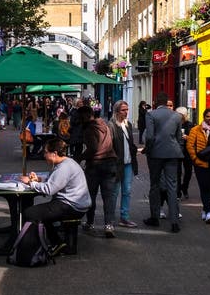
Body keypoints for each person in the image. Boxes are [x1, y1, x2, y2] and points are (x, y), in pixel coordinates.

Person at [19, 138, 91, 255]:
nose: (44, 155)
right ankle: (55, 241)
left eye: (45, 152)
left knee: (31, 213)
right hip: (75, 202)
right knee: (41, 212)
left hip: (72, 205)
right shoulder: (66, 162)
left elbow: (50, 189)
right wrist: (39, 180)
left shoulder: (64, 167)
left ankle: (48, 244)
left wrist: (30, 183)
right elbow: (55, 182)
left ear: (54, 153)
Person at [143, 92, 183, 232]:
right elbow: (179, 138)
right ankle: (174, 221)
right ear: (167, 102)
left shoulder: (151, 115)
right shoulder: (177, 116)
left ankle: (155, 217)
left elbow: (149, 136)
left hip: (156, 154)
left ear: (155, 102)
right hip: (172, 153)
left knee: (155, 185)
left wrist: (147, 149)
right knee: (172, 186)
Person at [79, 105, 118, 237]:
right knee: (109, 197)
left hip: (95, 165)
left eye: (80, 117)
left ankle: (90, 223)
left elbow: (93, 148)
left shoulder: (89, 129)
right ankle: (109, 225)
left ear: (85, 116)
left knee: (91, 196)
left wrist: (79, 157)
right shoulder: (105, 125)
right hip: (111, 163)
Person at [108, 100, 138, 228]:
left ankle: (124, 217)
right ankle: (109, 219)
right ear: (116, 111)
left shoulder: (128, 125)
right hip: (117, 164)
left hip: (128, 163)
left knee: (127, 191)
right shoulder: (111, 126)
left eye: (127, 109)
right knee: (114, 192)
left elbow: (129, 143)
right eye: (123, 110)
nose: (126, 112)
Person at [175, 107, 193, 199]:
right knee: (177, 172)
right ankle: (178, 192)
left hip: (187, 151)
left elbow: (194, 138)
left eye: (182, 115)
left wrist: (188, 137)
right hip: (177, 150)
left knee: (188, 171)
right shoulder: (174, 124)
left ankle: (184, 187)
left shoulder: (190, 125)